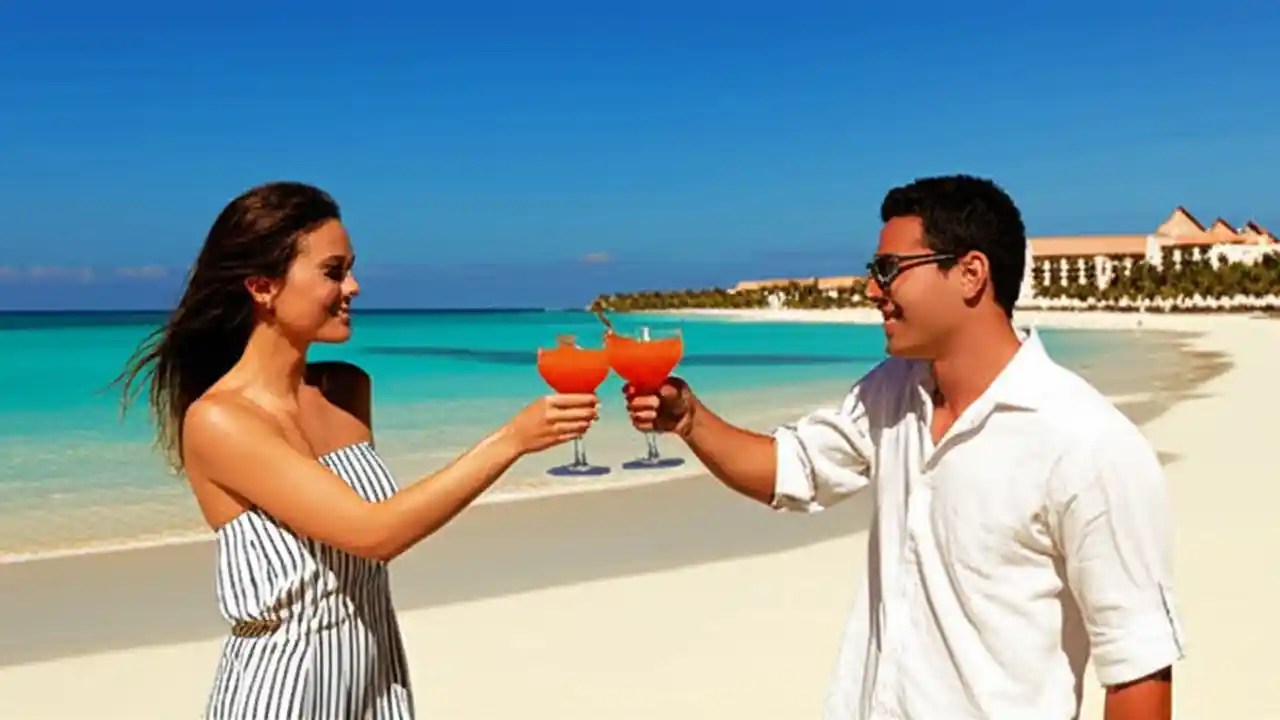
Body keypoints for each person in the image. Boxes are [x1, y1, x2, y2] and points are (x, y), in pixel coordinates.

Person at [624, 175, 1184, 720]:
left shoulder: (1086, 443)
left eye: (888, 270)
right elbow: (791, 470)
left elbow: (1138, 668)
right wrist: (689, 419)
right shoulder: (892, 392)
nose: (872, 289)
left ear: (970, 274)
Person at [116, 181, 600, 719]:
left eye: (349, 269)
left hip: (374, 674)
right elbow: (374, 533)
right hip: (281, 691)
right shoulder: (221, 421)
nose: (354, 286)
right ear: (261, 287)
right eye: (333, 271)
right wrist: (511, 441)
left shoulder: (346, 389)